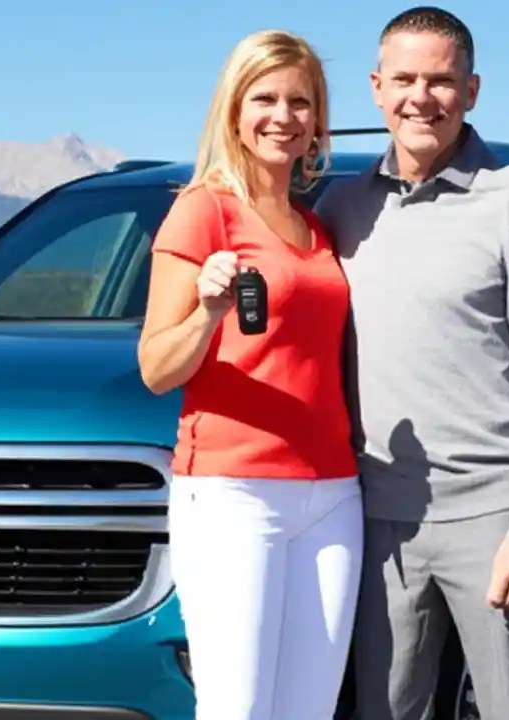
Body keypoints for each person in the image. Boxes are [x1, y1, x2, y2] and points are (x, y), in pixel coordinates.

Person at [312, 6, 509, 720]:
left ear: (471, 90)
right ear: (376, 88)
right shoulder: (341, 210)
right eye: (404, 79)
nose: (421, 97)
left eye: (440, 81)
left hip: (495, 517)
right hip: (378, 520)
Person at [137, 29, 363, 720]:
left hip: (333, 494)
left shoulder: (316, 229)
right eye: (264, 98)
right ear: (234, 110)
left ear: (317, 120)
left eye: (300, 101)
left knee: (309, 711)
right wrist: (208, 312)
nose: (282, 116)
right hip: (234, 494)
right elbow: (156, 368)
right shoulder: (202, 210)